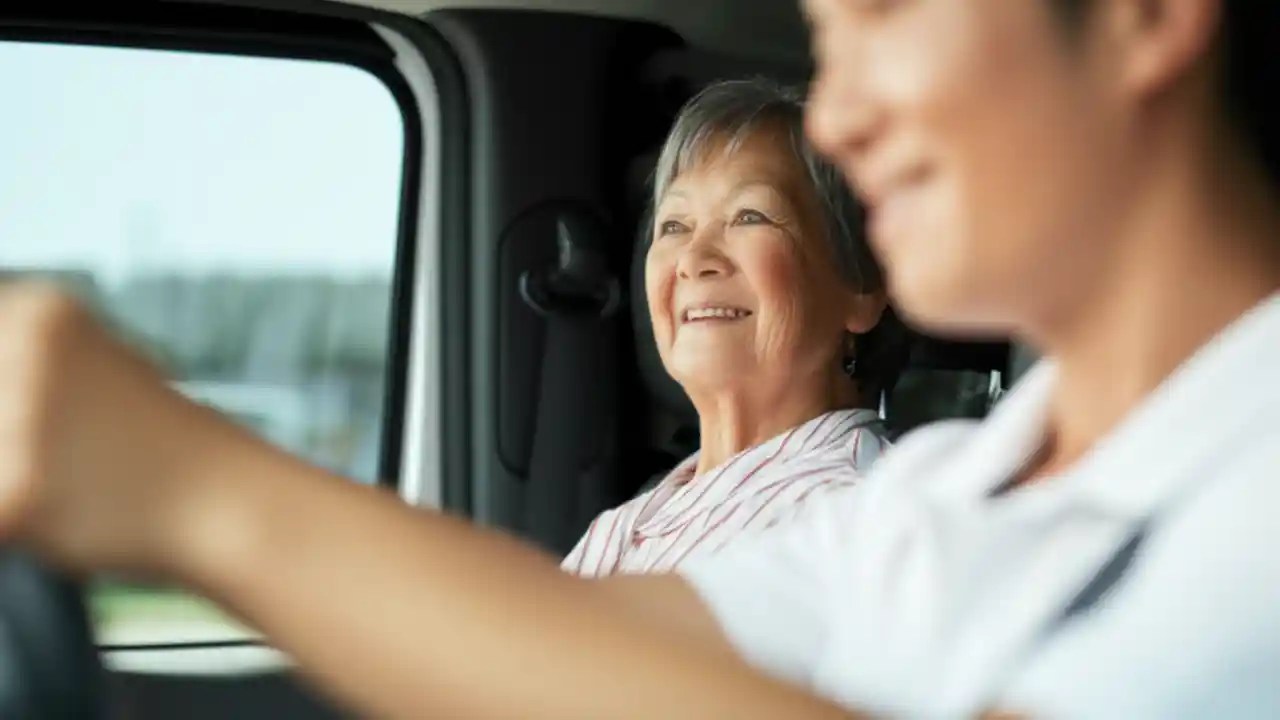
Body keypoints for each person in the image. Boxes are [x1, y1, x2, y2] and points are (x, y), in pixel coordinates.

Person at [0, 0, 1277, 717]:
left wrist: (201, 493)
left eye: (882, 16)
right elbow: (558, 652)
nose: (836, 112)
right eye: (822, 44)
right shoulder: (943, 493)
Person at [564, 78, 904, 578]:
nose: (694, 259)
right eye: (674, 225)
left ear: (861, 288)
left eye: (750, 216)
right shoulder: (633, 518)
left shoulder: (856, 516)